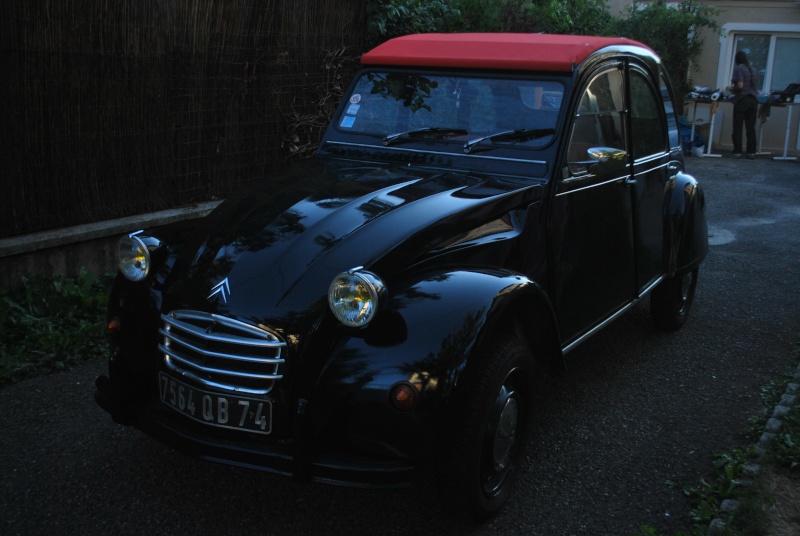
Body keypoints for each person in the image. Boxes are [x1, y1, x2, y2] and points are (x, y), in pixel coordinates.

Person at [729, 50, 760, 159]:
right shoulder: (753, 69)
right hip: (753, 100)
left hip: (742, 99)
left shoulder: (739, 69)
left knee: (738, 126)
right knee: (750, 127)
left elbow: (740, 85)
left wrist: (732, 89)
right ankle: (751, 152)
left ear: (737, 60)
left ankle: (737, 151)